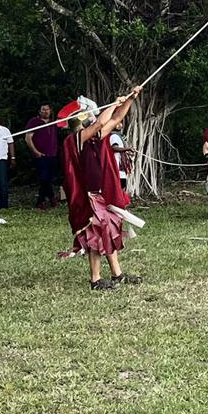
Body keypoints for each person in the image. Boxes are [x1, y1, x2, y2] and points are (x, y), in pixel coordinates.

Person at [58, 88, 142, 288]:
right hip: (88, 198)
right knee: (95, 236)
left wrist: (130, 99)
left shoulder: (96, 138)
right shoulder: (74, 140)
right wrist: (114, 103)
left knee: (109, 231)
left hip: (101, 194)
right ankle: (95, 279)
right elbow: (100, 123)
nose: (92, 119)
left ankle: (117, 275)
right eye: (89, 117)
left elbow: (116, 119)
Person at [23, 104, 61, 210]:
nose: (45, 111)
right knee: (44, 178)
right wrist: (36, 152)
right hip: (40, 155)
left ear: (50, 110)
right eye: (43, 110)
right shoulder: (34, 122)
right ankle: (41, 201)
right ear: (39, 111)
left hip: (52, 155)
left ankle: (50, 198)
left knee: (49, 179)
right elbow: (28, 138)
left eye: (47, 109)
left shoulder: (54, 122)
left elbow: (67, 125)